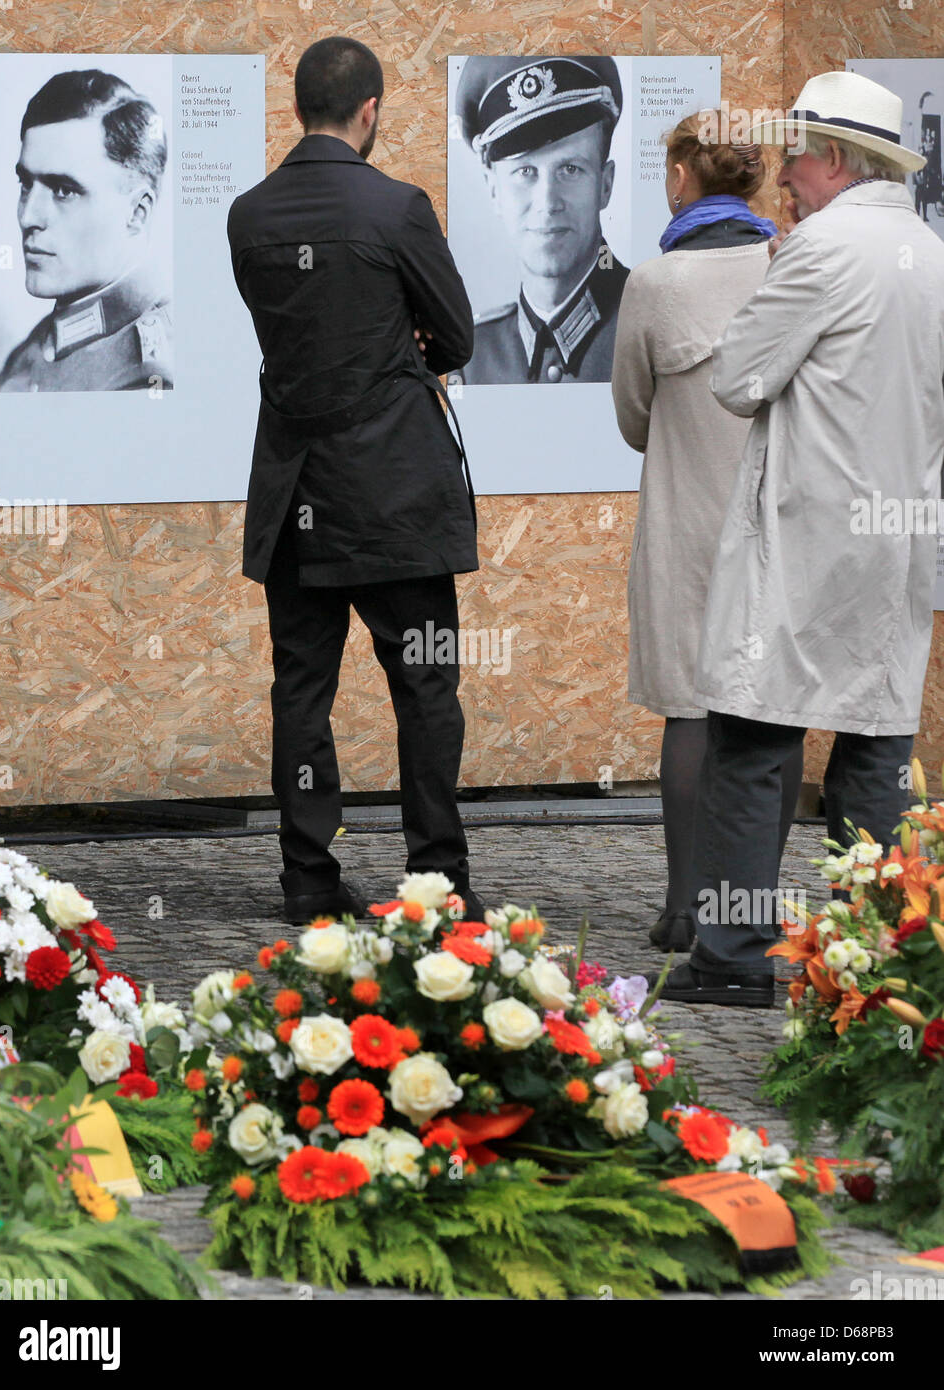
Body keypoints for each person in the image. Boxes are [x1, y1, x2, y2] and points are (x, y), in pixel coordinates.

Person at [649, 70, 942, 1008]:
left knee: (747, 740)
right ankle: (881, 961)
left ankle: (733, 958)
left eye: (795, 158)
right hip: (894, 541)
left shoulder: (818, 253)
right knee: (873, 750)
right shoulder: (929, 253)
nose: (781, 178)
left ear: (834, 159)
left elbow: (736, 378)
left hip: (804, 537)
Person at [227, 36, 485, 926]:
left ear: (299, 108)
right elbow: (454, 336)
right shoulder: (397, 208)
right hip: (396, 495)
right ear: (369, 110)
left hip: (295, 488)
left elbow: (290, 337)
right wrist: (400, 342)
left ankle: (307, 878)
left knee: (302, 687)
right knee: (423, 685)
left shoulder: (249, 217)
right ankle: (438, 880)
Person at [612, 112, 801, 954]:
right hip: (782, 519)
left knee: (690, 708)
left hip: (688, 517)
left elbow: (630, 419)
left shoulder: (654, 284)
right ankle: (750, 904)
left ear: (682, 176)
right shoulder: (788, 265)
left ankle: (684, 908)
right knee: (772, 707)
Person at [0, 68, 172, 393]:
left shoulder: (145, 375)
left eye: (63, 191)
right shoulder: (38, 346)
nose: (28, 216)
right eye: (26, 184)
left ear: (137, 212)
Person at [449, 56, 629, 385]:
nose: (547, 203)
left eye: (570, 169)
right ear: (494, 190)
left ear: (605, 186)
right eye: (525, 171)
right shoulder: (471, 361)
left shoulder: (657, 328)